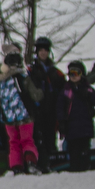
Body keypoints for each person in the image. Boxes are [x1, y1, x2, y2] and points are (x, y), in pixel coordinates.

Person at [0, 48, 41, 175]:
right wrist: (41, 93)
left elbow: (0, 101)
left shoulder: (3, 81)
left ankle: (16, 166)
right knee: (27, 140)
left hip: (9, 118)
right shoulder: (23, 78)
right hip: (25, 116)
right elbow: (35, 95)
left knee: (13, 142)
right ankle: (31, 162)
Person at [28, 37, 64, 172]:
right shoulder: (31, 70)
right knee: (39, 138)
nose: (43, 53)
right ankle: (41, 164)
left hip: (52, 110)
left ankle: (53, 163)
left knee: (50, 137)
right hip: (38, 110)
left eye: (45, 50)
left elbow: (63, 92)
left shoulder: (56, 72)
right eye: (40, 50)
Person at [57, 62, 94, 172]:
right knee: (73, 151)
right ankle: (74, 169)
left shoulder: (87, 89)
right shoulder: (66, 91)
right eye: (71, 73)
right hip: (71, 128)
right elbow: (60, 107)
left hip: (85, 127)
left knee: (84, 150)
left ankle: (85, 168)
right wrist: (62, 122)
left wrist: (89, 96)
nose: (73, 76)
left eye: (76, 73)